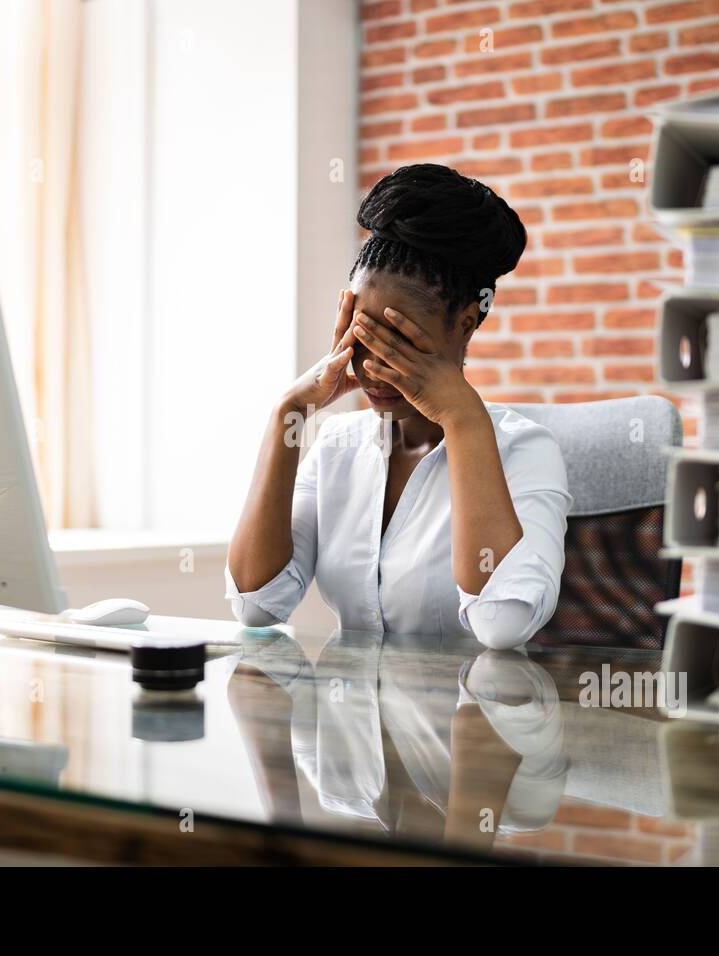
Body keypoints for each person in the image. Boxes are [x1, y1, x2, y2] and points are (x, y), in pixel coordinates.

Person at [225, 164, 572, 649]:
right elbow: (257, 606)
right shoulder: (338, 448)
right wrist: (290, 408)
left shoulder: (526, 450)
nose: (373, 369)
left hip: (467, 720)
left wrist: (463, 417)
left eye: (401, 346)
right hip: (351, 718)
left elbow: (503, 624)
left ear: (466, 325)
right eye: (361, 338)